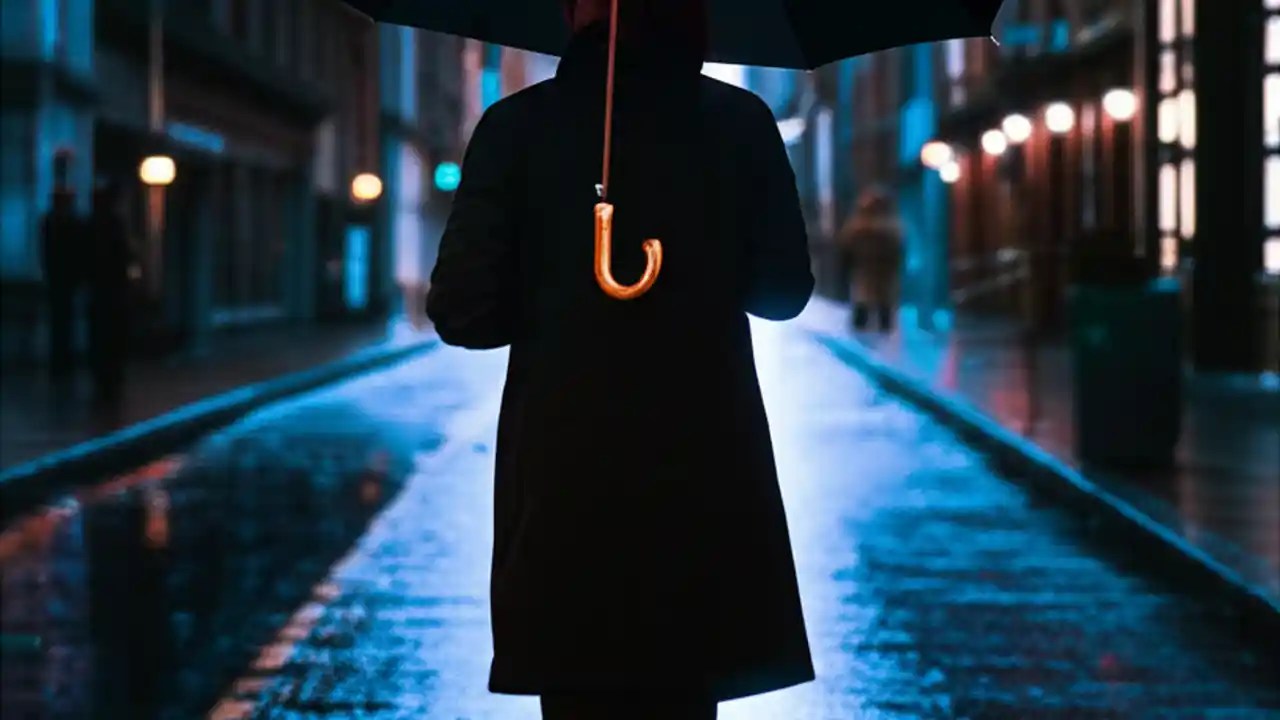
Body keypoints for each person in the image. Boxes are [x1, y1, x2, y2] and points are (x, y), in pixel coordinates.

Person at [425, 0, 816, 717]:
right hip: (704, 487)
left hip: (565, 495)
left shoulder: (516, 128)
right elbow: (784, 293)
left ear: (580, 11)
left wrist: (553, 286)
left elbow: (465, 313)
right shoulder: (738, 123)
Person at [86, 178, 135, 405]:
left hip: (101, 290)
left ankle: (105, 378)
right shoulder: (113, 224)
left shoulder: (94, 224)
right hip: (111, 291)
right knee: (111, 336)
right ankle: (110, 379)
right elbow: (122, 256)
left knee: (102, 335)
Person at [40, 150, 84, 379]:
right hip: (63, 277)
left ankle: (60, 361)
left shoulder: (52, 221)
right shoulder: (63, 222)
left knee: (61, 322)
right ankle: (62, 362)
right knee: (62, 322)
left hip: (59, 277)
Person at [837, 187, 903, 332]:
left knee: (865, 305)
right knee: (879, 307)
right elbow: (898, 251)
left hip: (869, 273)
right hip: (878, 273)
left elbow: (846, 251)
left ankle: (864, 331)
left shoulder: (857, 228)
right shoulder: (891, 228)